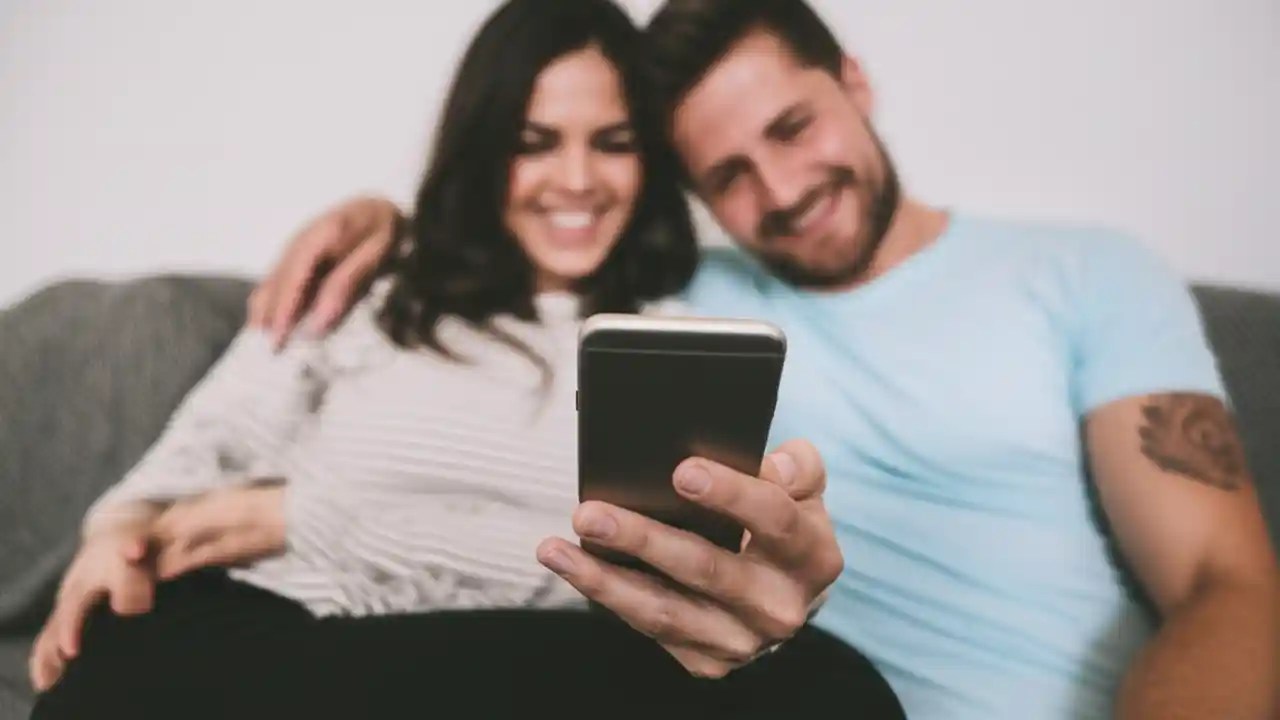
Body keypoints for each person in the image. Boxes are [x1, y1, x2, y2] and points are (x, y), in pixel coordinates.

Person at [254, 0, 1280, 718]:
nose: (780, 191)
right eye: (727, 174)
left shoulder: (1080, 271)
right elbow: (517, 250)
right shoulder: (674, 303)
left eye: (793, 127)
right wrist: (391, 222)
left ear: (854, 82)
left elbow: (1219, 581)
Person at [26, 1, 907, 718]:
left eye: (613, 142)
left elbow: (648, 580)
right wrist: (116, 533)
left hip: (520, 657)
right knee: (107, 684)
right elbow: (204, 446)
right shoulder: (369, 291)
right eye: (534, 143)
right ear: (484, 151)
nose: (577, 181)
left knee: (828, 692)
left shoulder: (672, 335)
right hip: (274, 629)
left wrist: (312, 515)